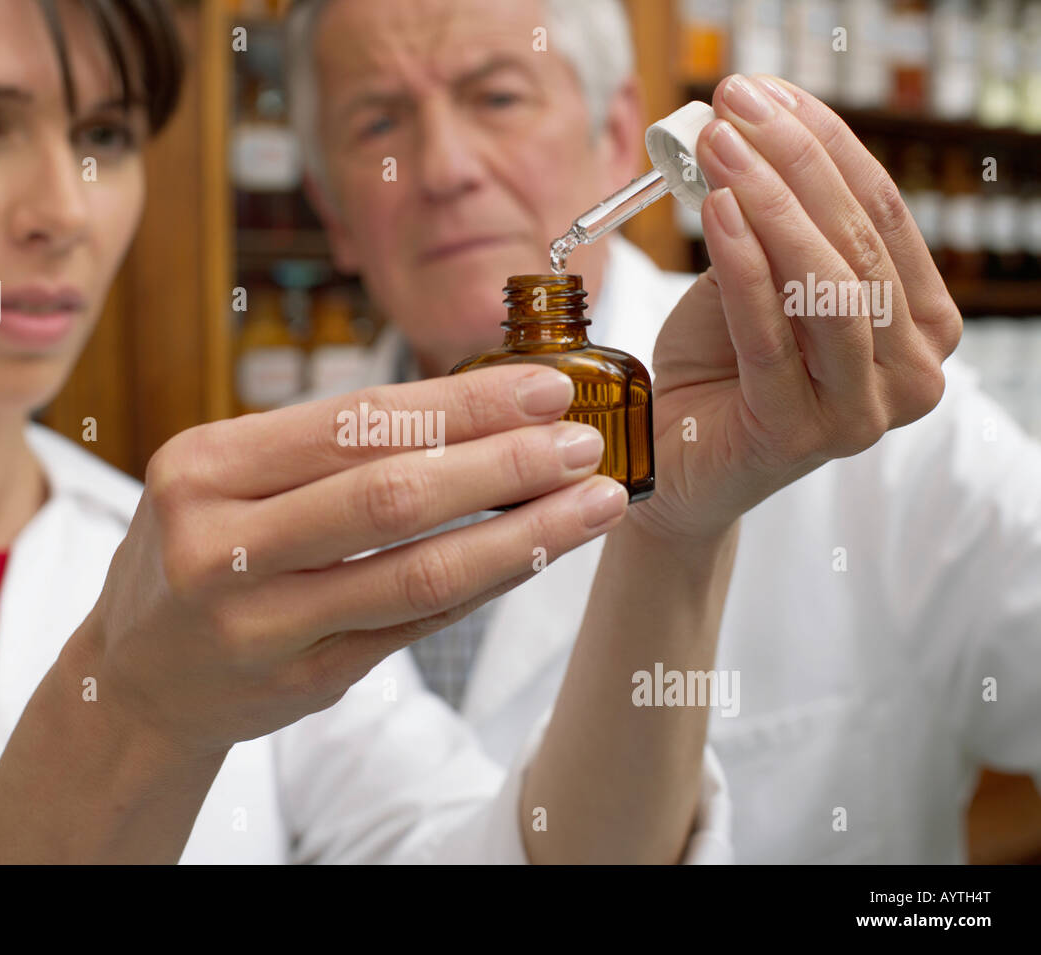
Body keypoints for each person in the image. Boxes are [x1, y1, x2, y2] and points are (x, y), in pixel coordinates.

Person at [0, 0, 741, 864]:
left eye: (104, 138)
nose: (63, 211)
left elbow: (507, 848)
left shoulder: (194, 563)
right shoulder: (188, 599)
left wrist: (674, 536)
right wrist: (133, 718)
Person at [281, 0, 1032, 863]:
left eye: (497, 98)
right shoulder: (284, 500)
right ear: (332, 209)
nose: (446, 168)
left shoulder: (861, 410)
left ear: (614, 135)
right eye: (379, 121)